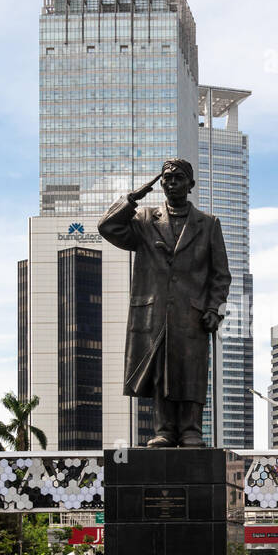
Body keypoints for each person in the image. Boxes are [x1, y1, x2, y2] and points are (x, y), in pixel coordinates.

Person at [97, 159, 231, 447]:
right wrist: (131, 199)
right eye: (167, 178)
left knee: (190, 370)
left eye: (179, 177)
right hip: (154, 312)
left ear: (190, 185)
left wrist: (214, 310)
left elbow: (221, 275)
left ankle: (191, 429)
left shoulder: (208, 225)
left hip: (192, 314)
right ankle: (164, 430)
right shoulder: (145, 220)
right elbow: (107, 227)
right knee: (160, 372)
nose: (172, 182)